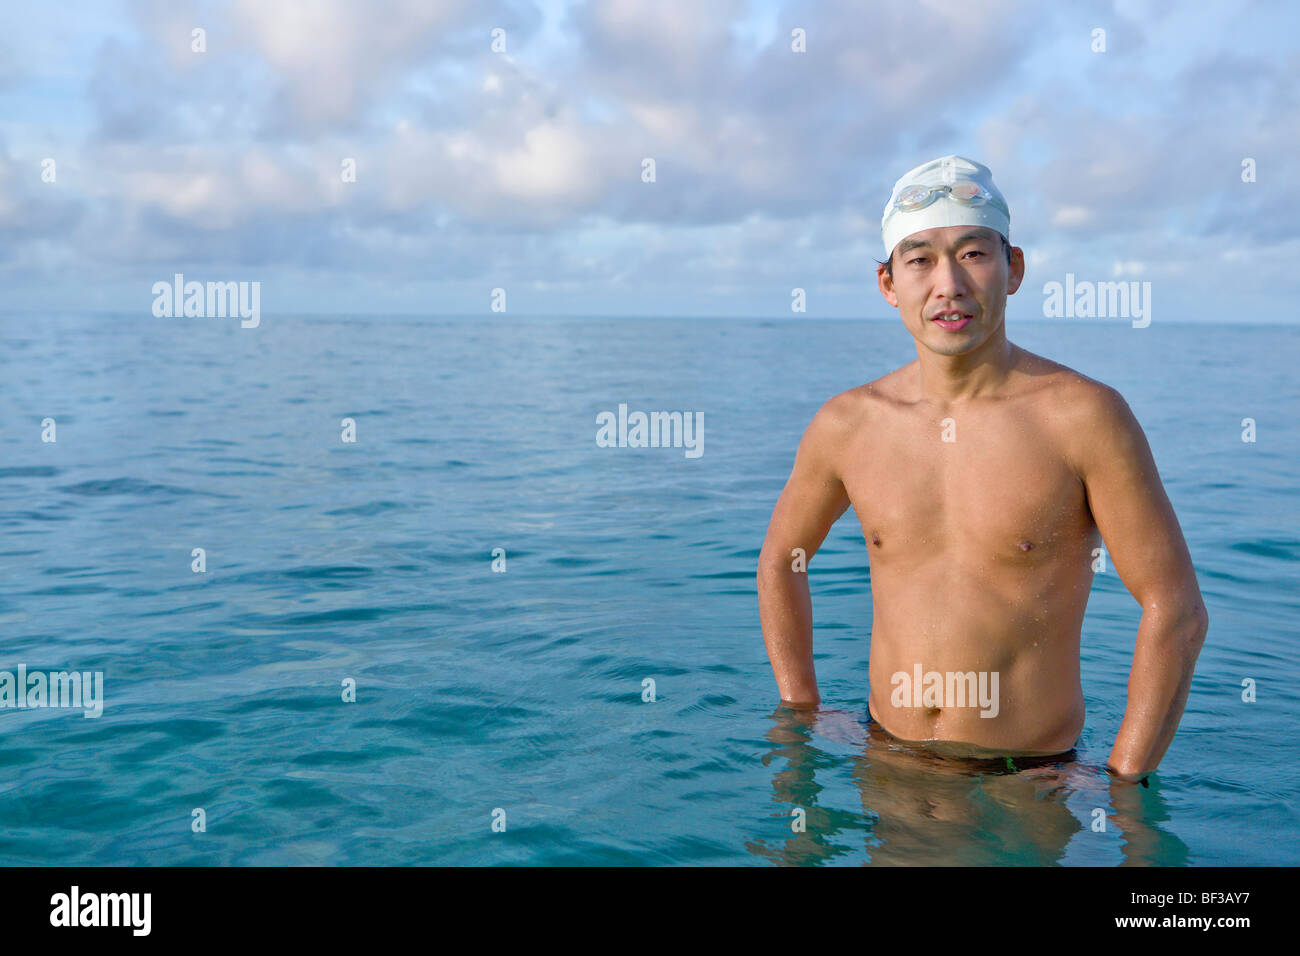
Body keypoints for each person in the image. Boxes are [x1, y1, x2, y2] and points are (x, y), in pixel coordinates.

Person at [756, 155, 1208, 782]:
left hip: (1026, 784)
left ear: (1013, 268)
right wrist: (800, 710)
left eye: (972, 254)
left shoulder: (1083, 417)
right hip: (888, 765)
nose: (949, 284)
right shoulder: (849, 424)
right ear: (889, 285)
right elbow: (782, 560)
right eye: (919, 260)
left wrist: (1123, 784)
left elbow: (1175, 607)